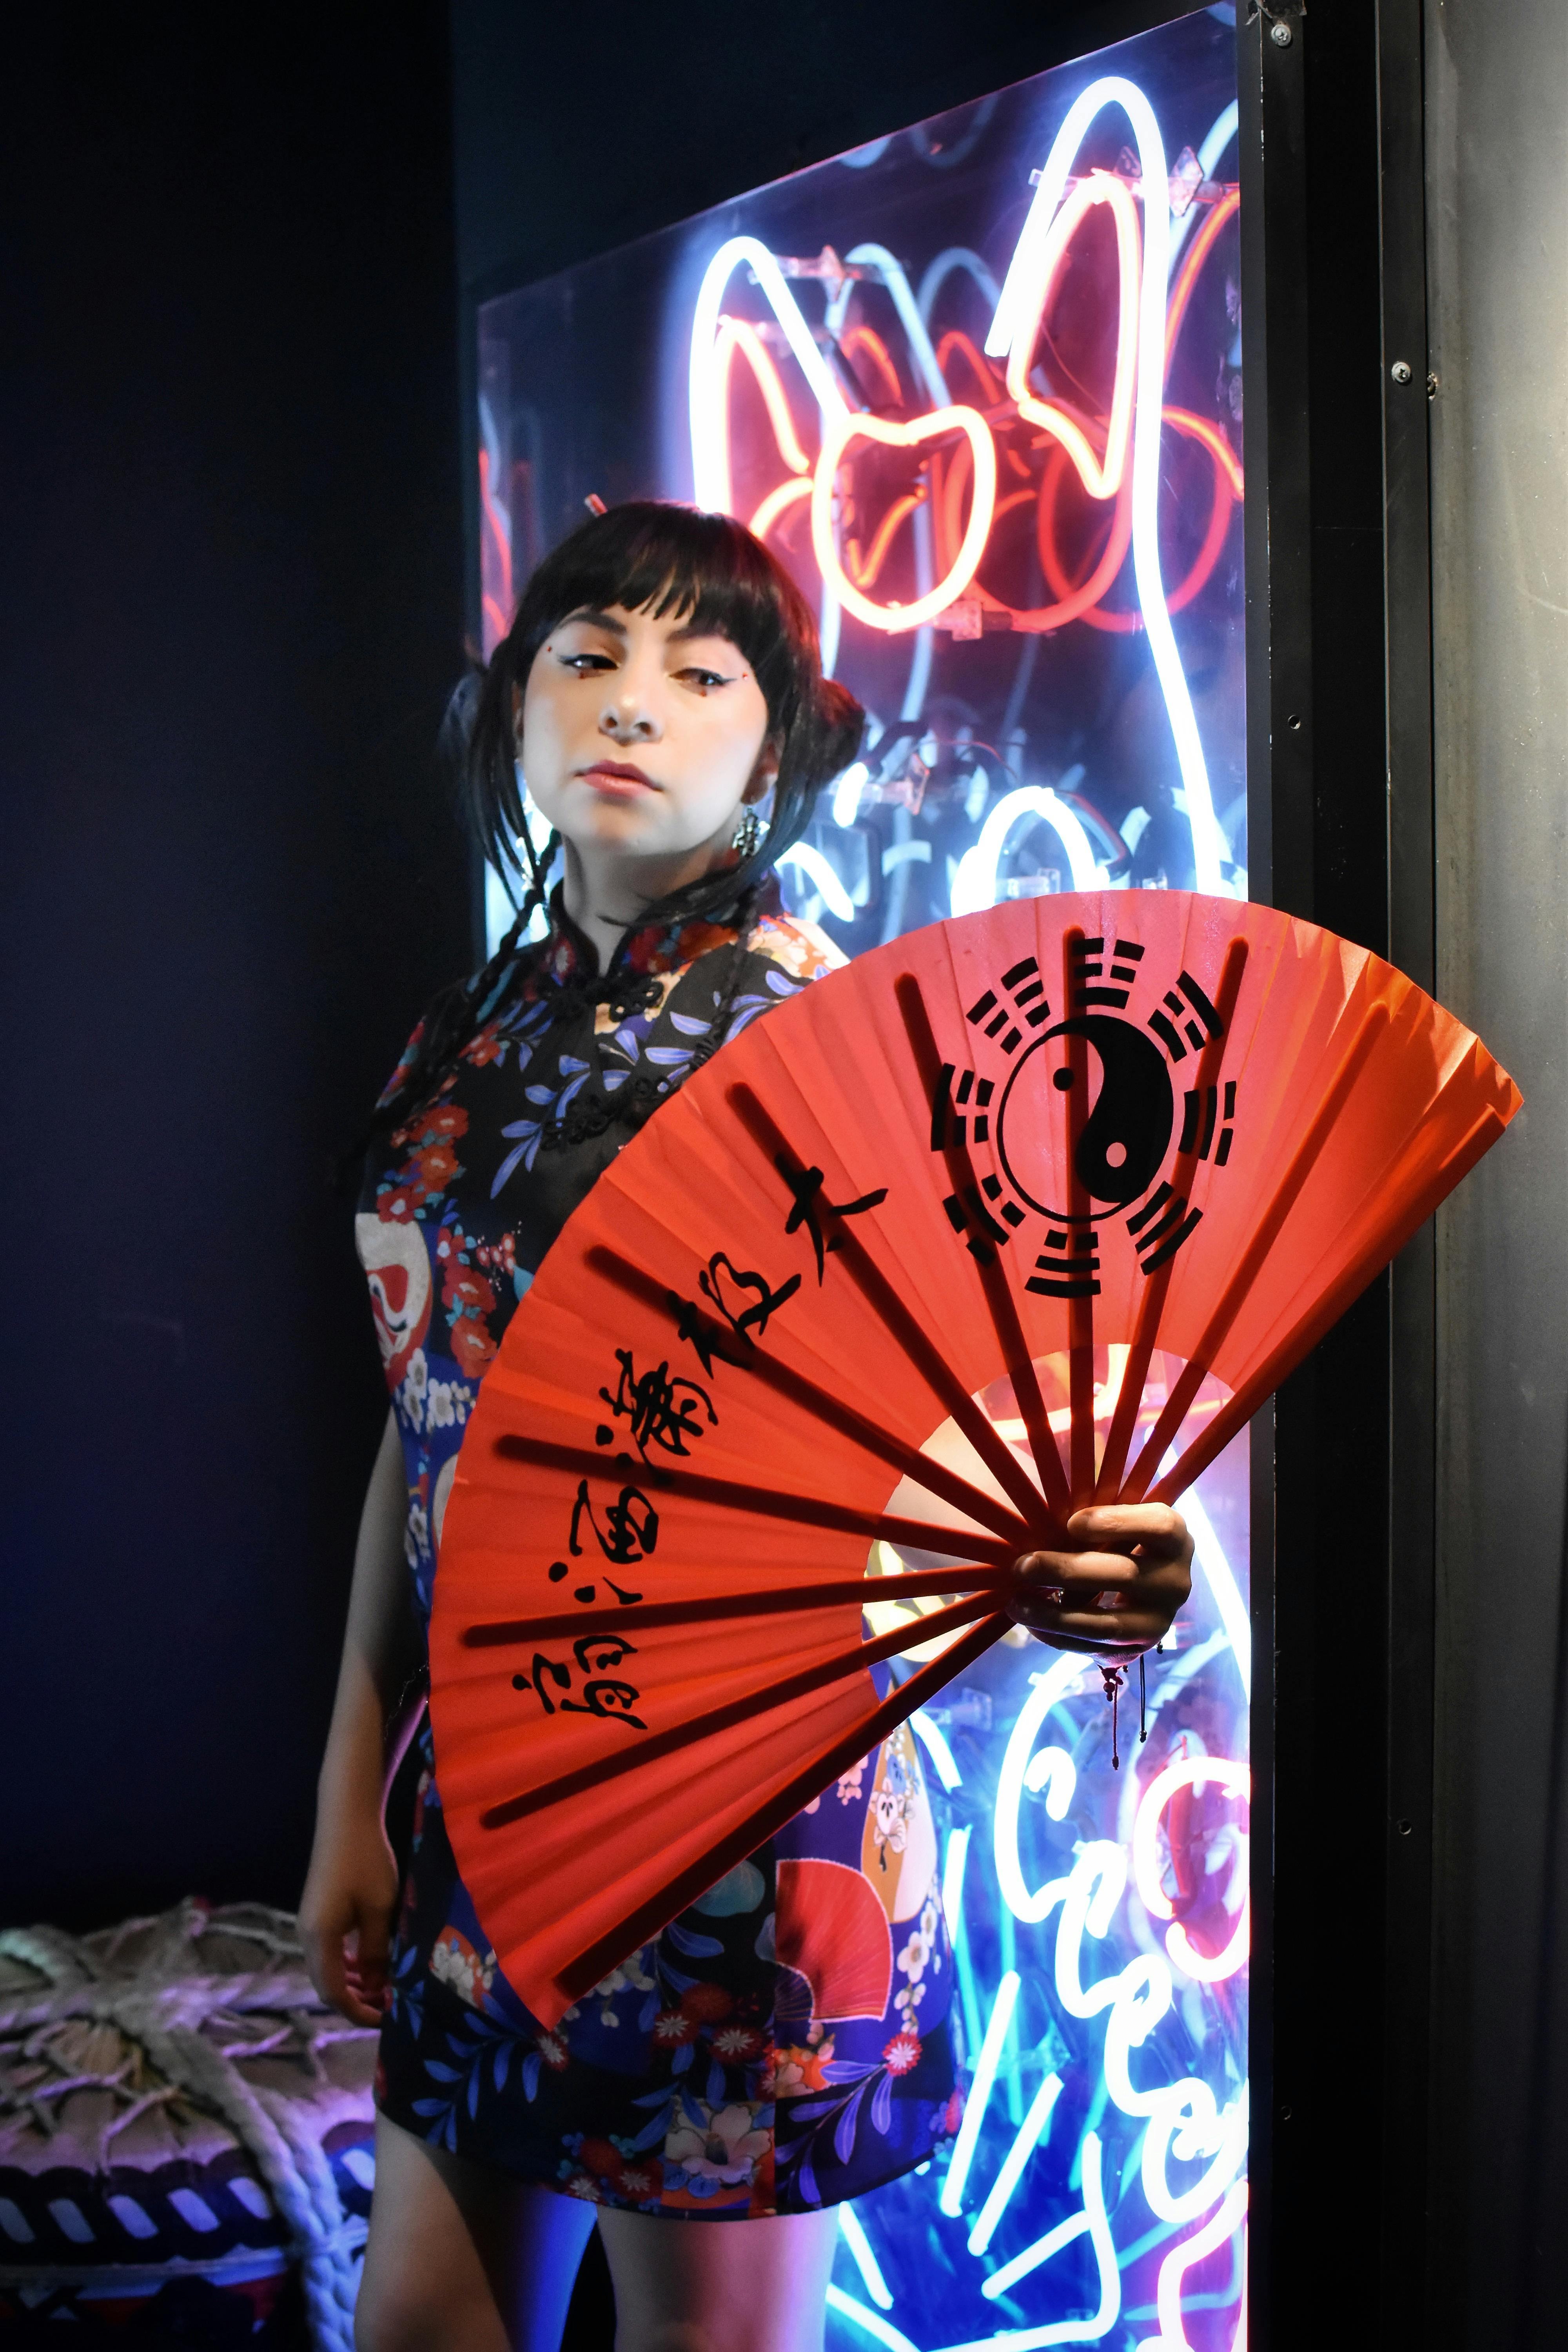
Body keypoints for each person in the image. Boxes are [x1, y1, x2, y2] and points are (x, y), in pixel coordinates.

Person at [298, 503, 1194, 2352]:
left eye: (699, 675)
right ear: (512, 708)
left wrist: (1095, 1547)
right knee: (419, 2330)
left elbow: (988, 1406)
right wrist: (353, 1782)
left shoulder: (829, 1039)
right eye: (588, 657)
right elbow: (435, 1412)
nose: (632, 706)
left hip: (740, 1795)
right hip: (484, 1784)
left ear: (771, 743)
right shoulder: (467, 1037)